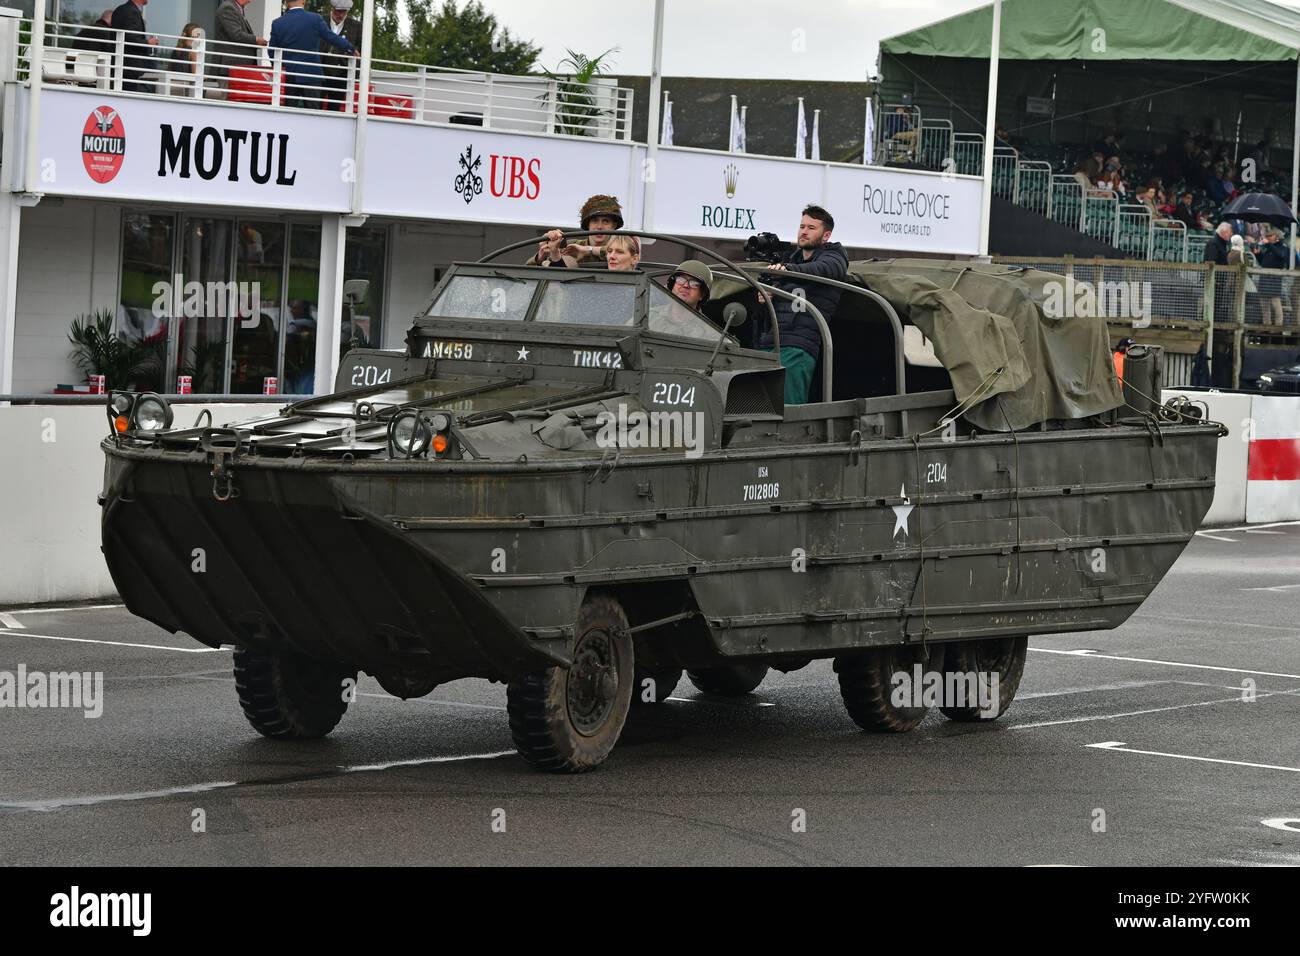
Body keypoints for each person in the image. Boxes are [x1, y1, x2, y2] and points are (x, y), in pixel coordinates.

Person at [757, 204, 847, 405]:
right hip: (769, 343)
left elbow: (826, 268)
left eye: (811, 228)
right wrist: (766, 295)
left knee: (788, 408)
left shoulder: (834, 255)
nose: (804, 232)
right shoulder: (791, 258)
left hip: (799, 346)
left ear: (826, 235)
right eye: (802, 226)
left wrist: (785, 269)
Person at [270, 0, 357, 110]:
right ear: (303, 1)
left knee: (288, 112)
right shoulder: (315, 19)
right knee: (313, 114)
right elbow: (331, 37)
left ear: (286, 2)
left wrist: (280, 69)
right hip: (311, 75)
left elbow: (272, 51)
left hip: (289, 75)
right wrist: (350, 48)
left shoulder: (277, 23)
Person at [530, 195, 623, 267]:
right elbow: (526, 271)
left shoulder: (624, 246)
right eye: (594, 221)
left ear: (613, 225)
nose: (599, 227)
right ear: (588, 224)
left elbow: (624, 254)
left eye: (605, 221)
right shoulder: (571, 246)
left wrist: (589, 250)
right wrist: (541, 256)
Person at [211, 0, 266, 91]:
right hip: (230, 66)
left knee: (236, 99)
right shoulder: (228, 8)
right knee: (228, 100)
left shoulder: (235, 8)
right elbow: (236, 34)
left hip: (236, 67)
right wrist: (256, 40)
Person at [320, 0, 363, 112]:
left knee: (335, 109)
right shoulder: (320, 21)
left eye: (344, 12)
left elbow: (363, 51)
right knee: (315, 106)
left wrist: (357, 73)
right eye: (338, 11)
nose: (341, 15)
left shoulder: (357, 26)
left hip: (342, 74)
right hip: (319, 70)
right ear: (332, 8)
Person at [110, 0, 159, 93]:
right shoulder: (131, 11)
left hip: (120, 64)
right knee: (127, 96)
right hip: (129, 67)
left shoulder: (121, 9)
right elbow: (130, 38)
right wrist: (148, 43)